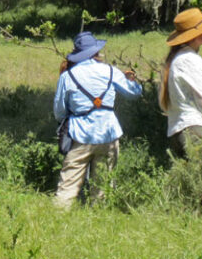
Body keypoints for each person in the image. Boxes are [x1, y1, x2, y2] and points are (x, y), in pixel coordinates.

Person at [53, 31, 142, 208]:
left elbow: (59, 111)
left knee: (67, 187)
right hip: (108, 134)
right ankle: (98, 217)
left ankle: (57, 220)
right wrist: (132, 80)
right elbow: (134, 93)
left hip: (79, 135)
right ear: (96, 52)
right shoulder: (110, 71)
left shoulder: (67, 76)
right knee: (102, 188)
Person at [159, 7, 202, 157]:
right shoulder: (190, 59)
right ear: (192, 35)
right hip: (196, 130)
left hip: (179, 131)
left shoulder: (176, 59)